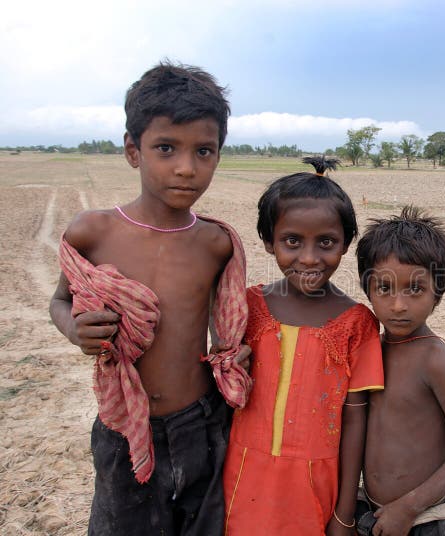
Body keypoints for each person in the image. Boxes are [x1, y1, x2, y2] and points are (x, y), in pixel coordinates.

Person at [49, 61, 252, 535]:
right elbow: (59, 302)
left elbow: (228, 328)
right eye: (166, 148)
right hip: (125, 429)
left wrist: (236, 358)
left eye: (204, 151)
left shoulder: (215, 243)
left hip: (202, 424)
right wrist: (74, 329)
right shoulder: (93, 232)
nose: (186, 167)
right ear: (132, 150)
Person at [223, 156, 384, 535]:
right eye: (292, 241)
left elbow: (355, 418)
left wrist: (344, 513)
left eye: (325, 242)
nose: (309, 258)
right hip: (242, 472)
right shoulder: (248, 306)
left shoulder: (356, 324)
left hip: (316, 482)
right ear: (268, 241)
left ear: (345, 244)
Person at [355, 206, 445, 536]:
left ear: (437, 293)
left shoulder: (435, 359)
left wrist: (408, 507)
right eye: (384, 288)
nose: (398, 305)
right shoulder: (367, 349)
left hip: (424, 519)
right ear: (367, 289)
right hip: (373, 513)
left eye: (415, 289)